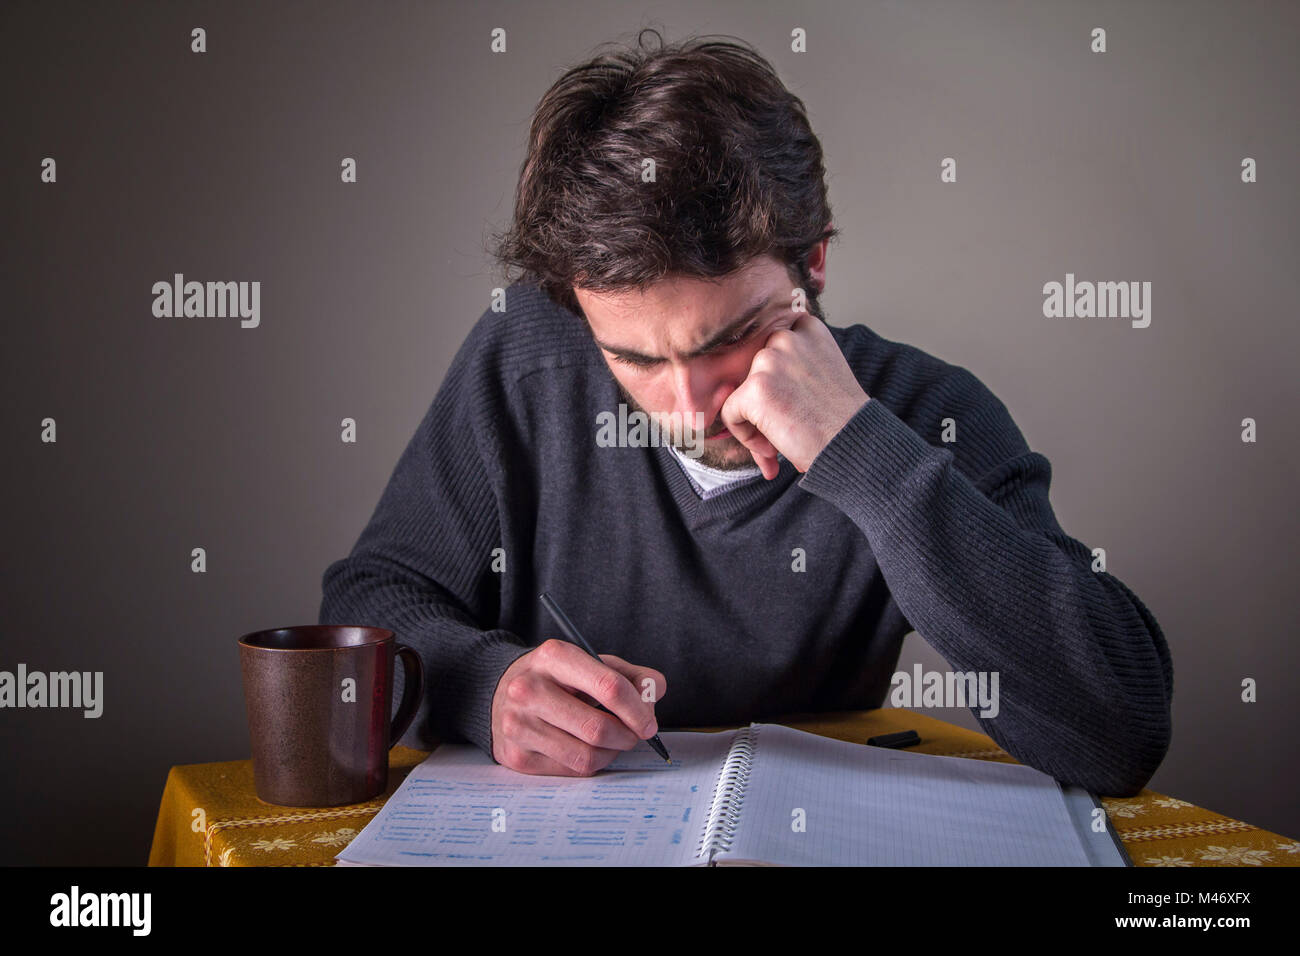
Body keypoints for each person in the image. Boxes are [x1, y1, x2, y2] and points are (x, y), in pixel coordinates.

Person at [319, 29, 1172, 796]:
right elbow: (370, 601)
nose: (690, 406)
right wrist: (485, 685)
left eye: (728, 339)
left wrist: (863, 454)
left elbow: (1120, 734)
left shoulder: (925, 412)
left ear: (815, 264)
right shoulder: (524, 358)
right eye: (636, 359)